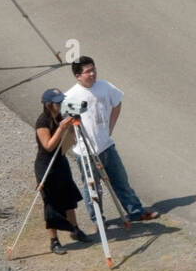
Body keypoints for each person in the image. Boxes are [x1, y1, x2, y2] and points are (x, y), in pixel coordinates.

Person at [62, 56, 158, 226]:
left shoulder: (104, 86)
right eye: (88, 71)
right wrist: (74, 137)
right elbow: (63, 121)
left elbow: (117, 103)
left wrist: (110, 128)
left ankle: (135, 211)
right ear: (78, 76)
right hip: (85, 151)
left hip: (106, 145)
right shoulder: (70, 96)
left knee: (121, 180)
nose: (93, 73)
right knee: (92, 188)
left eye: (93, 69)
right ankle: (98, 220)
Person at [34, 88, 90, 254]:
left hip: (61, 161)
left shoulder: (60, 116)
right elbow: (48, 146)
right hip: (46, 165)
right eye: (57, 102)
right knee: (51, 203)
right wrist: (61, 127)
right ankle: (54, 241)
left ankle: (75, 229)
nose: (61, 104)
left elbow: (71, 140)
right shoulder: (43, 122)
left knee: (68, 196)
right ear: (49, 104)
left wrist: (72, 126)